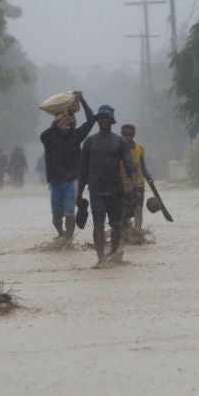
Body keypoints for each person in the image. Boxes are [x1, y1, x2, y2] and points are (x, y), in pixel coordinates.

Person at [76, 105, 135, 268]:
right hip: (96, 190)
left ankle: (114, 252)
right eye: (100, 118)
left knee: (116, 225)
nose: (103, 121)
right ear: (97, 121)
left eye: (106, 118)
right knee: (98, 224)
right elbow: (83, 170)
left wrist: (134, 186)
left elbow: (130, 167)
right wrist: (79, 193)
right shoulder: (89, 142)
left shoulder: (119, 141)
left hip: (116, 190)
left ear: (111, 121)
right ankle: (101, 257)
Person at [39, 91, 95, 240]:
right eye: (64, 122)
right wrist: (57, 126)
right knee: (56, 217)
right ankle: (60, 233)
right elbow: (42, 136)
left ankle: (69, 240)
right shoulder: (49, 137)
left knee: (70, 212)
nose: (67, 125)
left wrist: (82, 100)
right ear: (56, 123)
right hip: (55, 182)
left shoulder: (76, 136)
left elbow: (91, 120)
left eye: (70, 123)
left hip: (72, 181)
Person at [118, 122, 154, 233]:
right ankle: (125, 231)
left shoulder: (139, 149)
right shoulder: (116, 148)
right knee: (123, 212)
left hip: (138, 185)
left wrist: (149, 178)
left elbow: (142, 166)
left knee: (138, 208)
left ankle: (137, 232)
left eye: (130, 134)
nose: (128, 137)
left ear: (134, 134)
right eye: (125, 134)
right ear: (121, 134)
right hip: (122, 186)